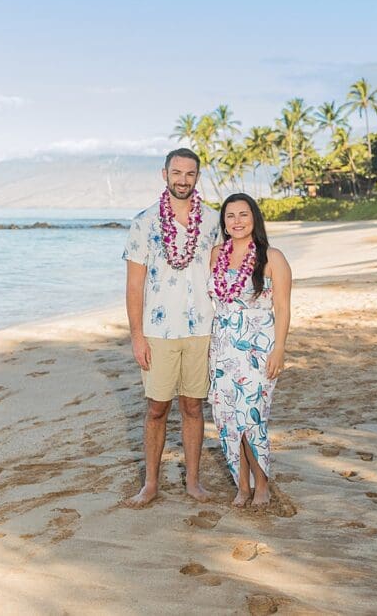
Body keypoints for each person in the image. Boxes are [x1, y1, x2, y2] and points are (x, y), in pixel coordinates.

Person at [121, 149, 220, 507]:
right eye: (176, 172)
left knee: (193, 407)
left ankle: (193, 481)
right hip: (158, 332)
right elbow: (134, 286)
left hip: (201, 328)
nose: (183, 180)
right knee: (157, 409)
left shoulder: (213, 221)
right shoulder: (144, 222)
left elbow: (221, 274)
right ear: (164, 174)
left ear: (197, 177)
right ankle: (150, 484)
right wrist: (137, 336)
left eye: (190, 174)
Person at [208, 193, 291, 507]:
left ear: (254, 217)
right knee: (226, 418)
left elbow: (282, 308)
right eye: (230, 216)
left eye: (243, 214)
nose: (237, 221)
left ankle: (262, 483)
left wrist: (279, 349)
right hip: (222, 347)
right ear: (224, 223)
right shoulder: (216, 255)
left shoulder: (272, 257)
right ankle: (242, 486)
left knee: (251, 417)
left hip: (258, 349)